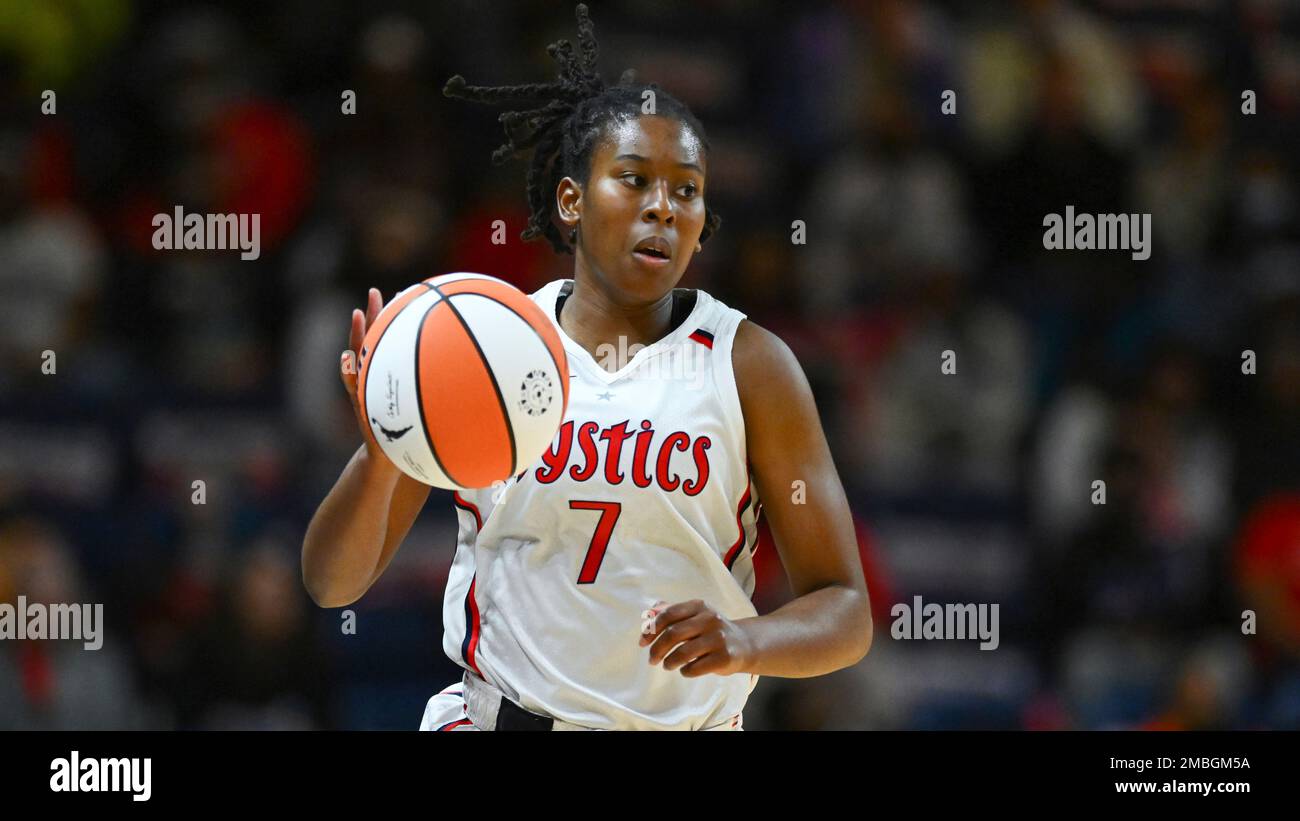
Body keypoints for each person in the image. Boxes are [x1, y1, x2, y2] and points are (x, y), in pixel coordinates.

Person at [301, 4, 872, 730]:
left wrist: (746, 639)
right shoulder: (482, 344)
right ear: (570, 200)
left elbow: (847, 610)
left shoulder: (751, 365)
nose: (662, 208)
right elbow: (330, 583)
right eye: (633, 180)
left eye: (686, 190)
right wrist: (385, 449)